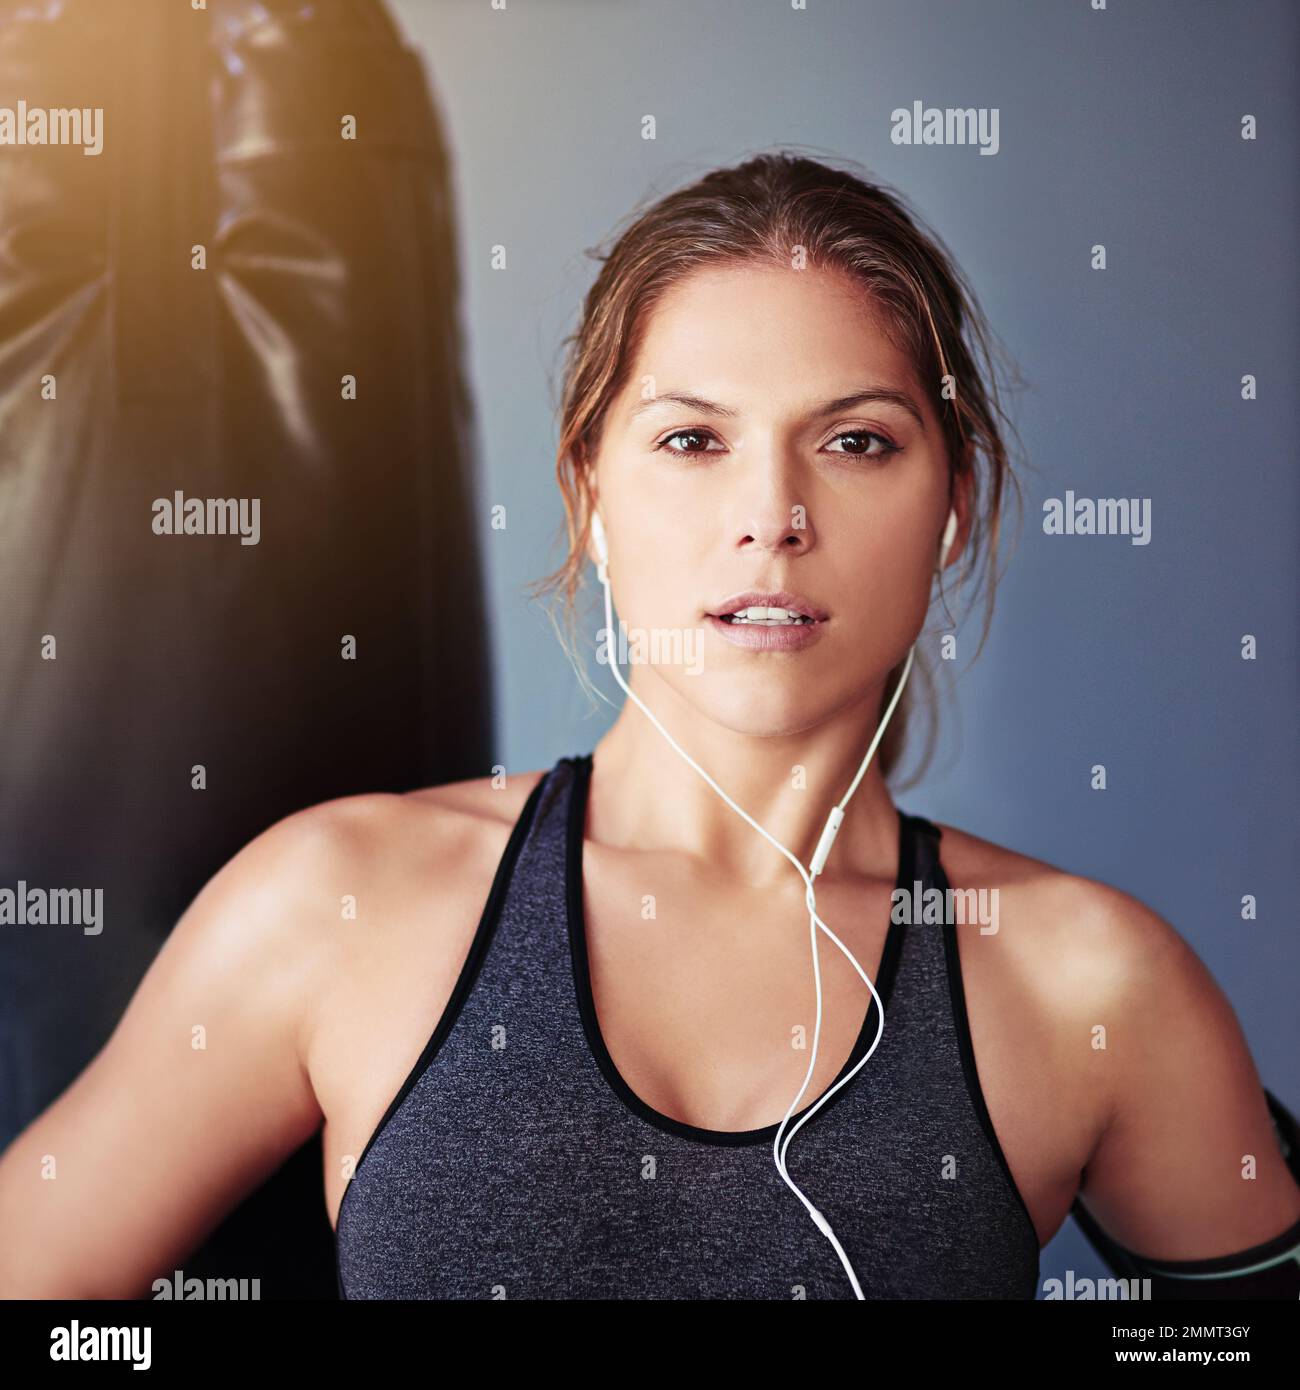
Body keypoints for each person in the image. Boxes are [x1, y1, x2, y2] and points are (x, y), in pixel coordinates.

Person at [2, 152, 1297, 1300]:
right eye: (692, 440)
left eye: (855, 440)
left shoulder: (1092, 981)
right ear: (588, 499)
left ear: (952, 506)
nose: (773, 515)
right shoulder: (339, 897)